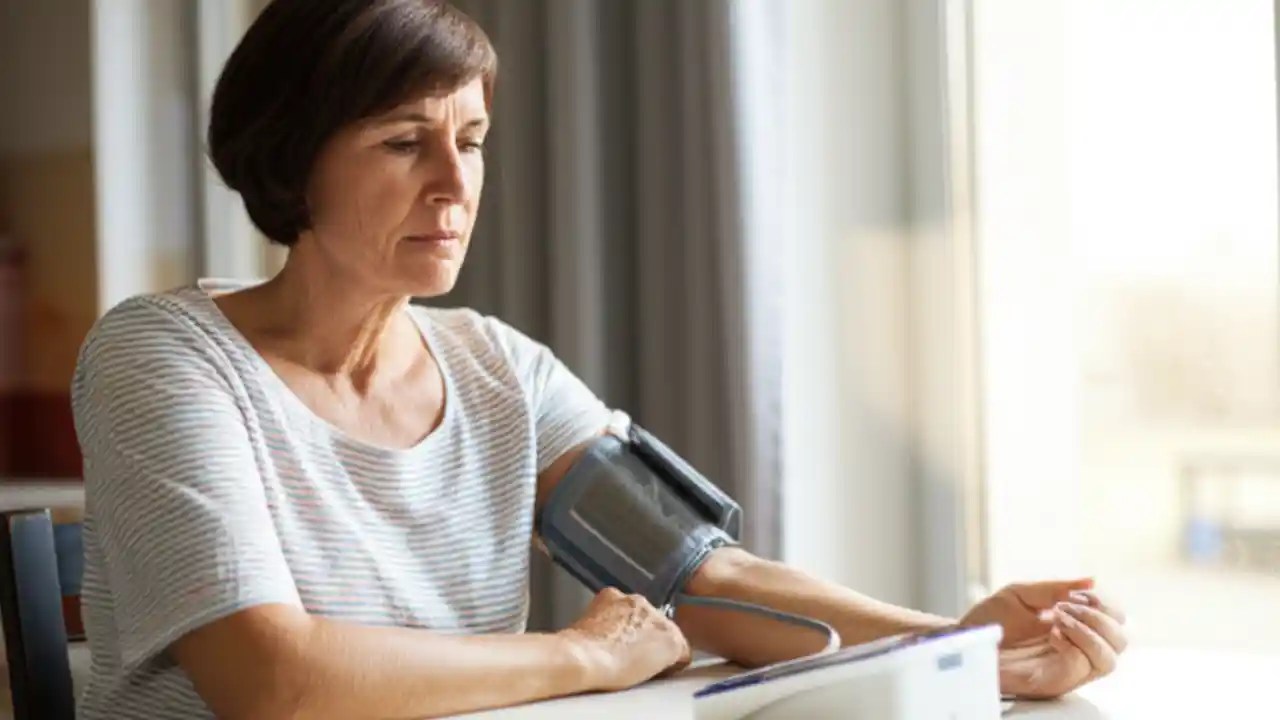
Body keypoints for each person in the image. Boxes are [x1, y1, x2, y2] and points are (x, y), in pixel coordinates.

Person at [69, 1, 1128, 718]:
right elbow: (272, 681)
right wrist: (582, 658)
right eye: (404, 143)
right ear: (292, 160)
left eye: (471, 139)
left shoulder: (497, 371)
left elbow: (701, 582)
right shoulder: (164, 359)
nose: (454, 183)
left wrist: (954, 647)